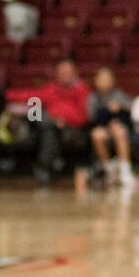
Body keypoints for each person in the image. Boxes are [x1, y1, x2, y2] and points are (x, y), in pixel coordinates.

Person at [33, 57, 91, 187]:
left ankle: (43, 169)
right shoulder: (51, 89)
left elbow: (85, 116)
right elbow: (31, 97)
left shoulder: (82, 90)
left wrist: (64, 120)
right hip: (52, 127)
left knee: (49, 129)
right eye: (61, 73)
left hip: (74, 130)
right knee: (40, 118)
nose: (64, 76)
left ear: (74, 73)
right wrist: (6, 96)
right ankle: (45, 169)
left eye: (67, 73)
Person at [88, 67, 134, 187]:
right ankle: (109, 169)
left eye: (107, 80)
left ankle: (125, 169)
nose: (104, 83)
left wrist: (120, 109)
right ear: (96, 81)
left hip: (119, 129)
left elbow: (132, 111)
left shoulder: (119, 95)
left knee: (119, 131)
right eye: (102, 80)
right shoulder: (93, 98)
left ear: (112, 81)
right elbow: (92, 118)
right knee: (97, 134)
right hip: (103, 129)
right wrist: (108, 111)